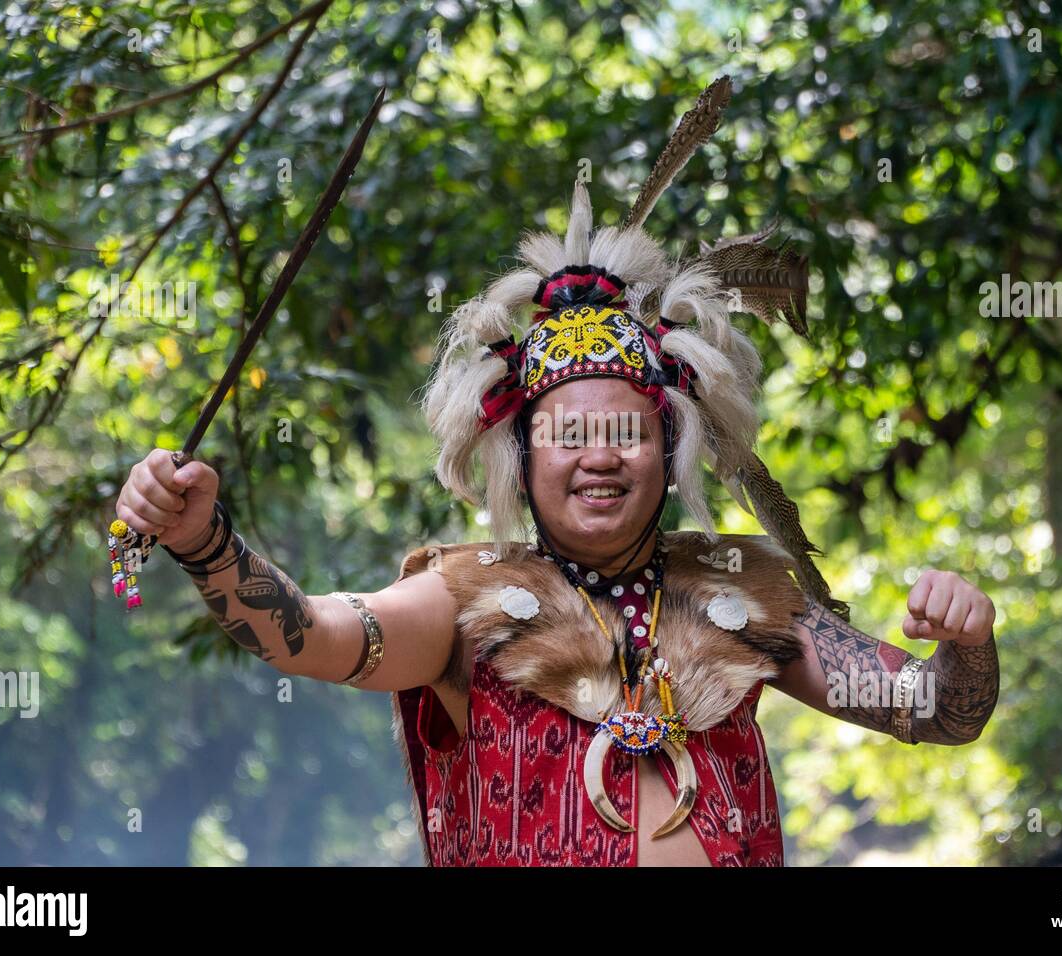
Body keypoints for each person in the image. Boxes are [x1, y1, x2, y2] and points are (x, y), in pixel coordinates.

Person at [114, 77, 1000, 867]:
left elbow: (932, 711)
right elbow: (307, 635)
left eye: (627, 431)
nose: (599, 455)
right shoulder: (460, 603)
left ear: (672, 446)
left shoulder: (744, 589)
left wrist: (967, 644)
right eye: (569, 435)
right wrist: (206, 541)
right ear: (523, 454)